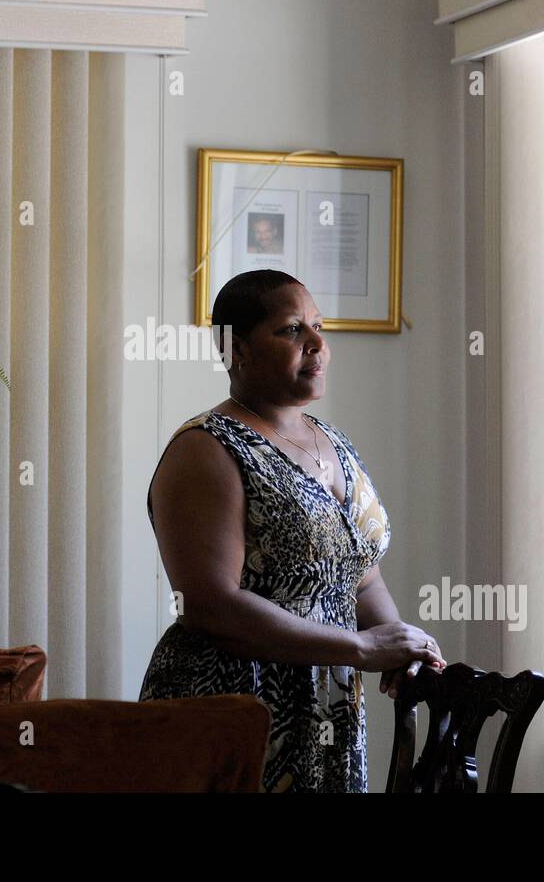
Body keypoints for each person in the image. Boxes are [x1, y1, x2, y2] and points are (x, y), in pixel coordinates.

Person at [138, 268, 446, 792]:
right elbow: (209, 604)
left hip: (330, 705)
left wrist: (400, 647)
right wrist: (360, 649)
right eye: (291, 331)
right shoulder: (206, 449)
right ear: (236, 349)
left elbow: (361, 577)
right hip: (236, 707)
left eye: (319, 327)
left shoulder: (334, 443)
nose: (318, 344)